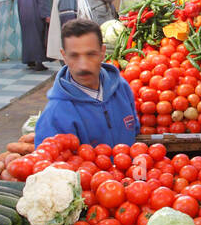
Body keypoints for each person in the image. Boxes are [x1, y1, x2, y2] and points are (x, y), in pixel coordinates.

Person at [35, 19, 138, 148]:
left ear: (102, 52)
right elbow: (50, 164)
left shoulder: (121, 88)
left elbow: (135, 131)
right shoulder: (56, 113)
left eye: (91, 54)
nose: (83, 65)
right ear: (64, 56)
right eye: (74, 56)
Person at [16, 0, 51, 72]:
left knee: (27, 37)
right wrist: (46, 14)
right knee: (38, 36)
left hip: (23, 12)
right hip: (35, 12)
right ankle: (39, 62)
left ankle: (29, 60)